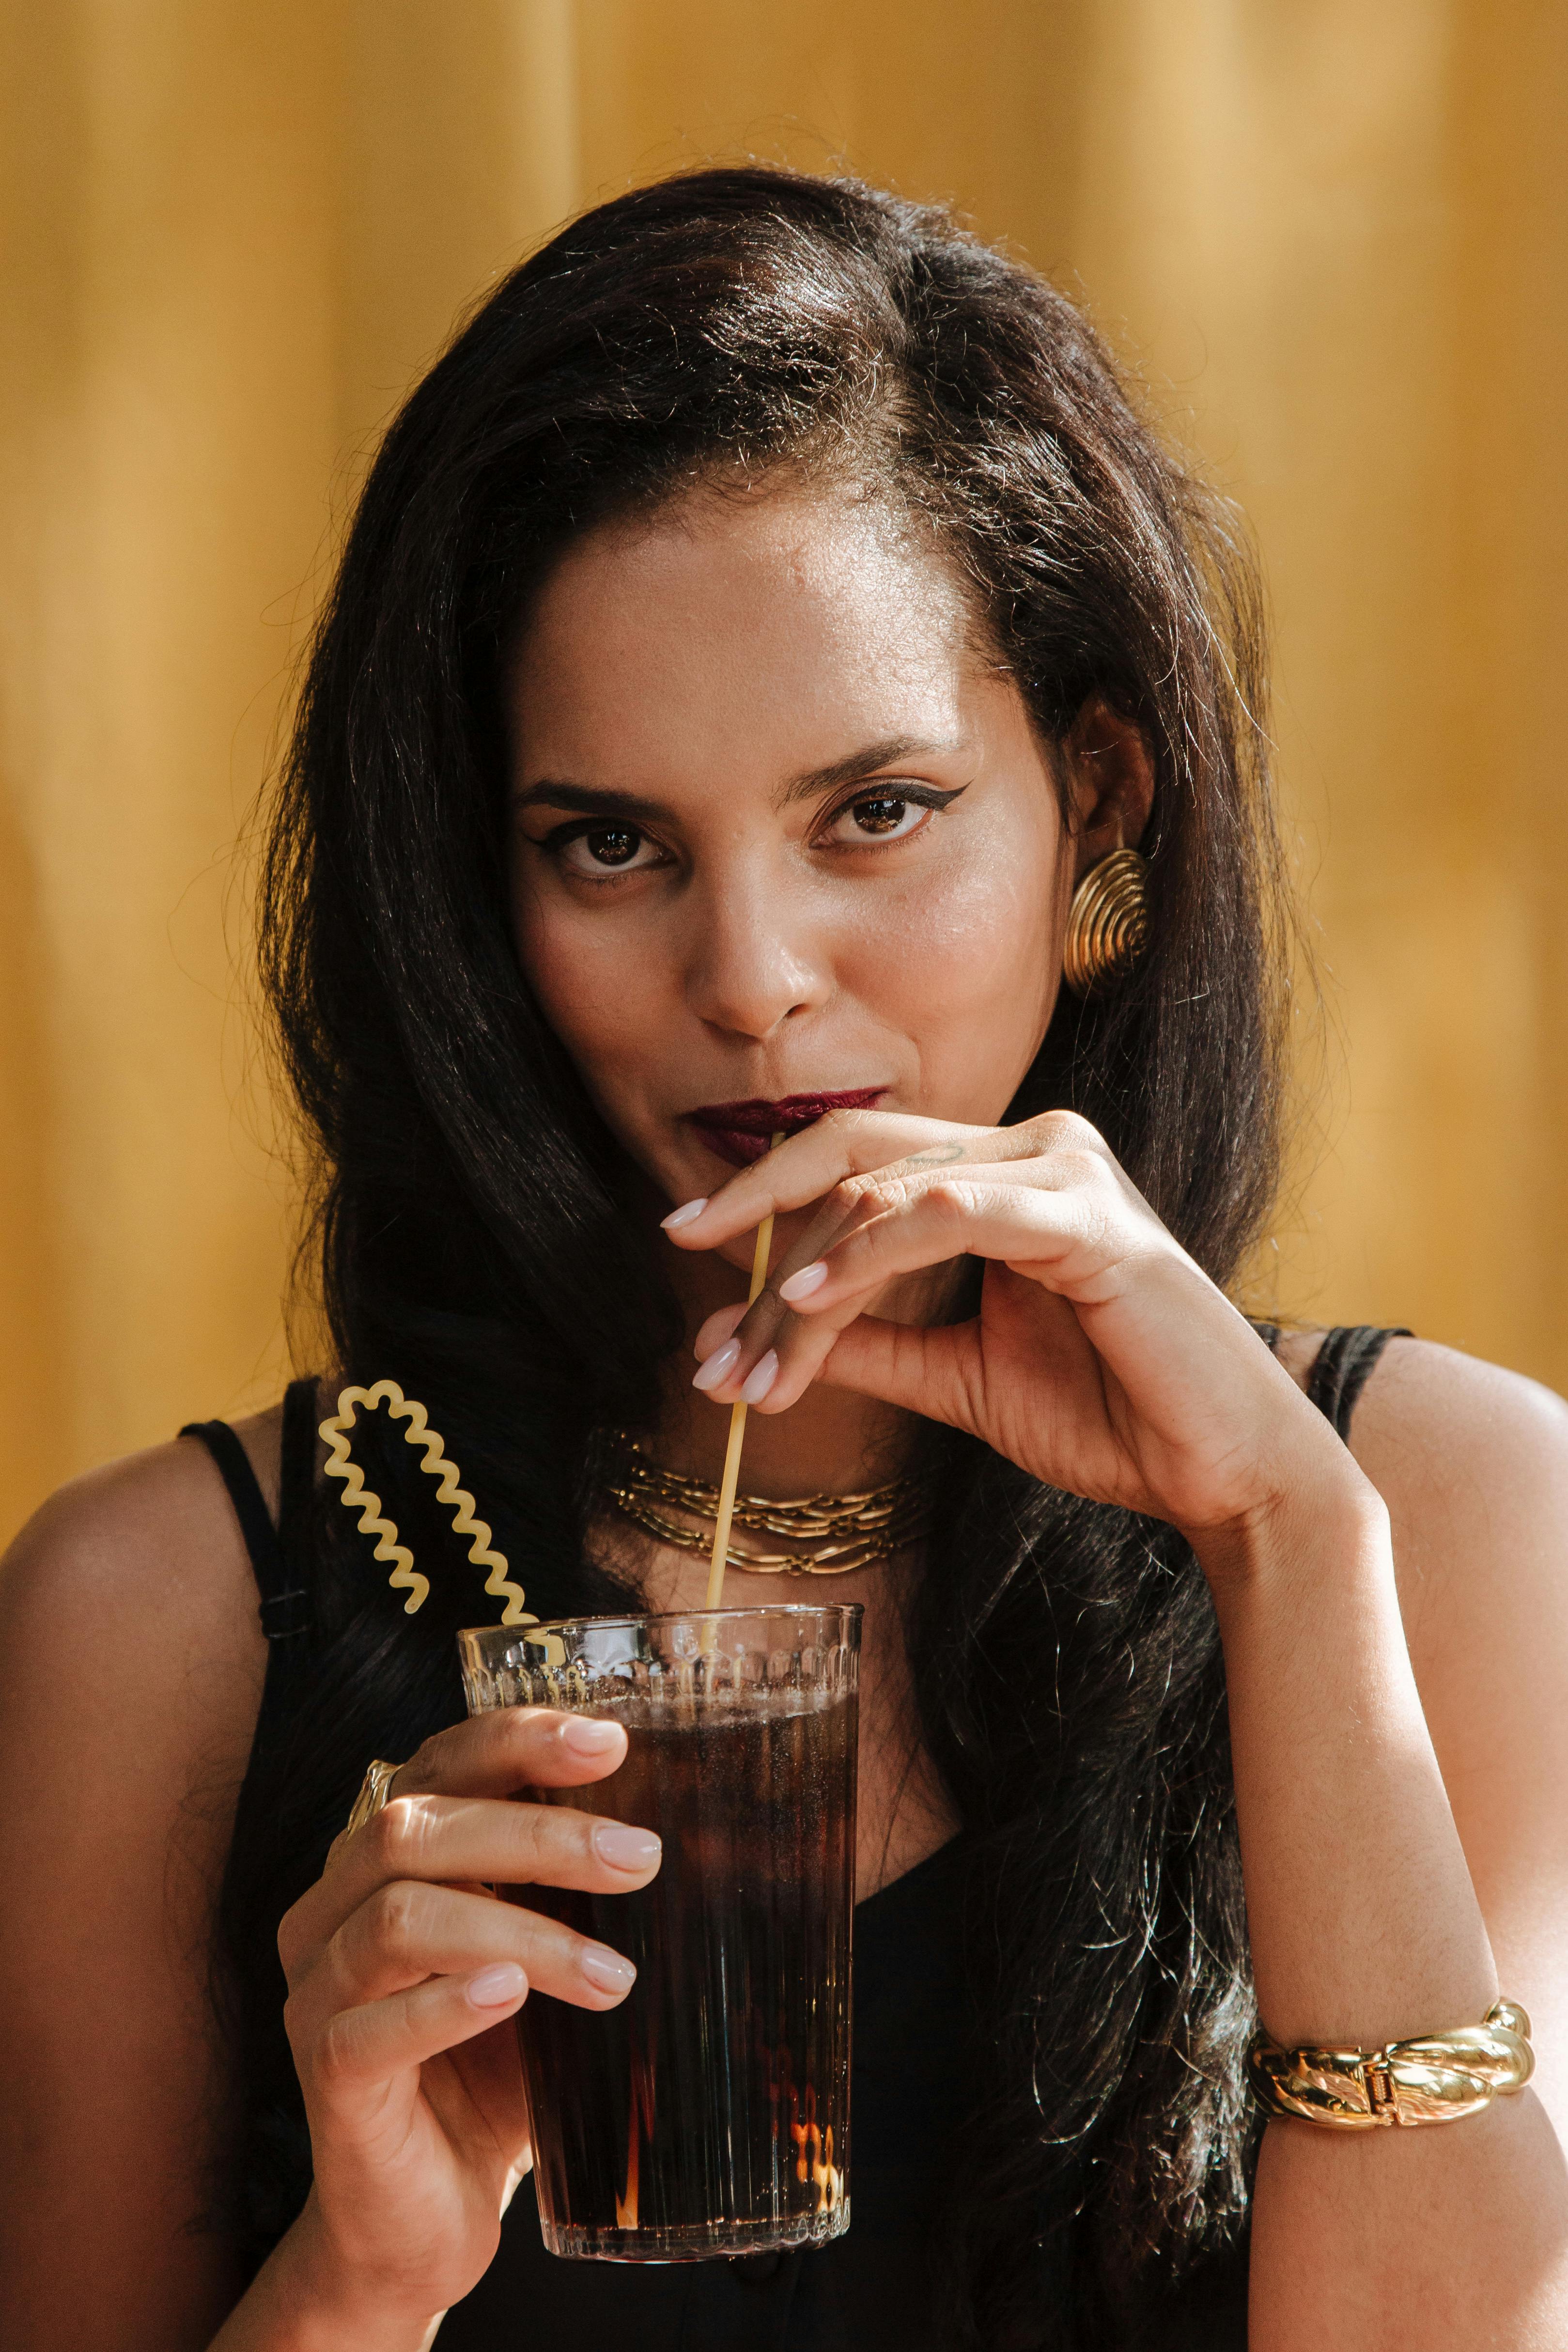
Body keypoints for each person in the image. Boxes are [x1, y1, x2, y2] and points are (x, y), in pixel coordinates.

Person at [2, 164, 1566, 2352]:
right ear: (481, 895)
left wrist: (1290, 1545)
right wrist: (363, 2272)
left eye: (877, 812)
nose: (751, 979)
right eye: (611, 842)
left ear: (1097, 809)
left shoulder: (1455, 1516)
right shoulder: (164, 1610)